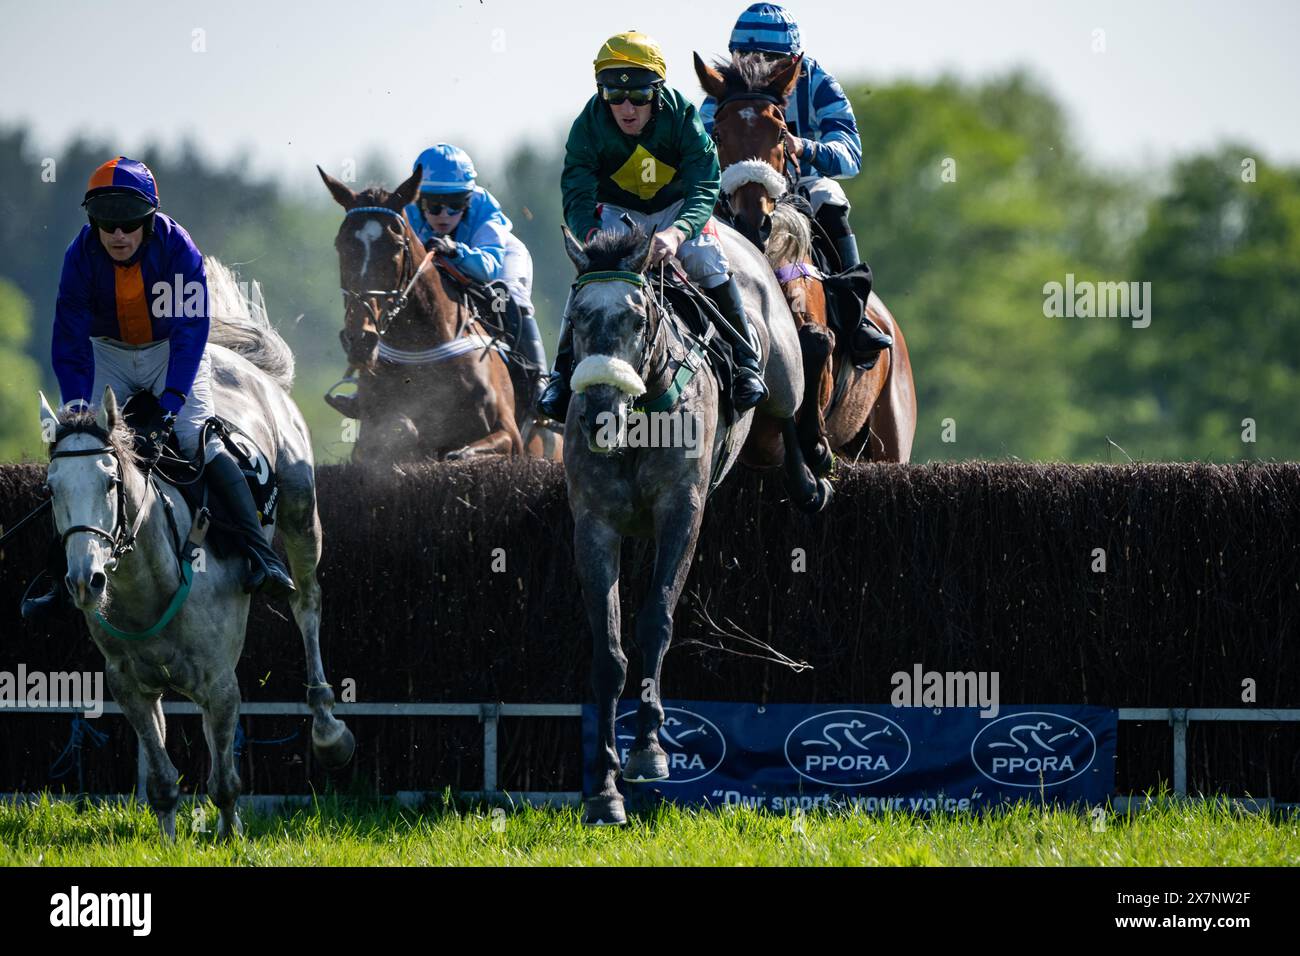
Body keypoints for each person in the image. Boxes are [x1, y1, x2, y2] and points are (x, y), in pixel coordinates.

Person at [22, 156, 294, 622]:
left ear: (149, 220)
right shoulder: (79, 255)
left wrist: (170, 406)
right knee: (84, 452)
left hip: (172, 351)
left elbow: (191, 333)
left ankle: (260, 553)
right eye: (107, 224)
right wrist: (78, 408)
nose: (118, 235)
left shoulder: (178, 248)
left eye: (129, 223)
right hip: (108, 352)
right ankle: (58, 574)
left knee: (194, 439)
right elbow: (68, 338)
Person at [539, 30, 769, 422]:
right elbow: (577, 193)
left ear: (657, 92)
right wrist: (594, 241)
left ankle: (745, 361)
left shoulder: (682, 116)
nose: (627, 108)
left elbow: (705, 184)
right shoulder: (588, 125)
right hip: (615, 214)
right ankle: (561, 374)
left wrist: (678, 232)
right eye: (614, 96)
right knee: (590, 276)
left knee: (706, 258)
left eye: (639, 96)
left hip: (676, 209)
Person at [702, 3, 892, 353]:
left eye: (771, 60)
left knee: (829, 197)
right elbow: (700, 148)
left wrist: (803, 147)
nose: (759, 68)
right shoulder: (725, 89)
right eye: (748, 55)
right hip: (736, 185)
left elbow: (851, 155)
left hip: (802, 183)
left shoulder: (818, 82)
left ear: (792, 62)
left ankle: (854, 312)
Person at [402, 144, 548, 412]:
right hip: (449, 257)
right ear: (418, 200)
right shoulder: (408, 214)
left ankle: (539, 384)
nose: (444, 214)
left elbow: (489, 269)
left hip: (497, 256)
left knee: (509, 296)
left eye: (455, 204)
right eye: (433, 205)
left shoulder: (485, 209)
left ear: (469, 200)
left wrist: (456, 250)